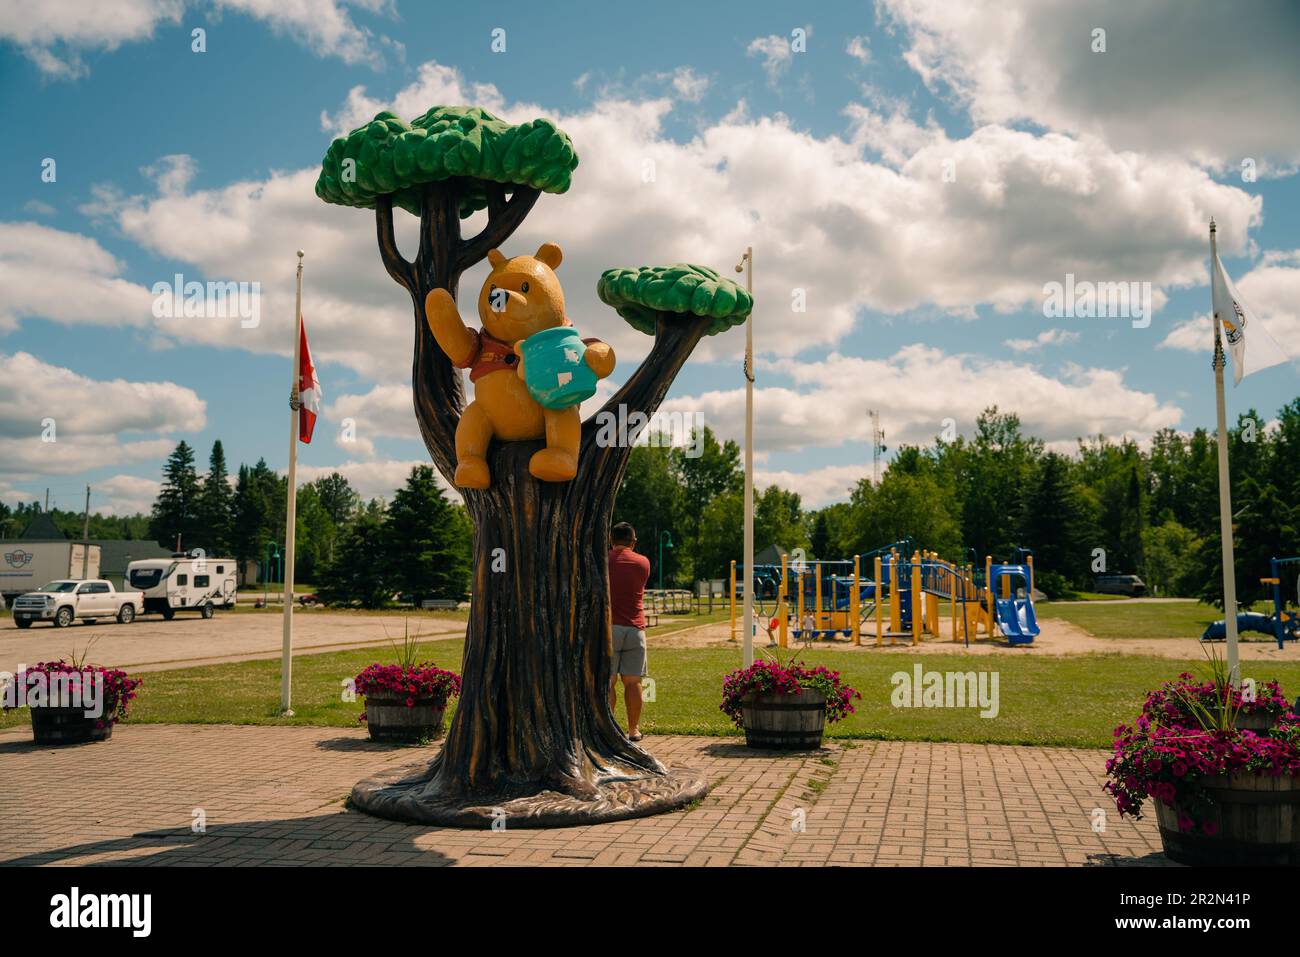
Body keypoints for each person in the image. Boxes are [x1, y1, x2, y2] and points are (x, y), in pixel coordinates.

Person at [608, 522, 650, 742]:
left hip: (609, 629)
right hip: (635, 628)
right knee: (633, 682)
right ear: (633, 541)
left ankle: (610, 729)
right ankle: (633, 730)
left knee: (608, 681)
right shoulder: (643, 563)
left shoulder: (603, 560)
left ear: (611, 539)